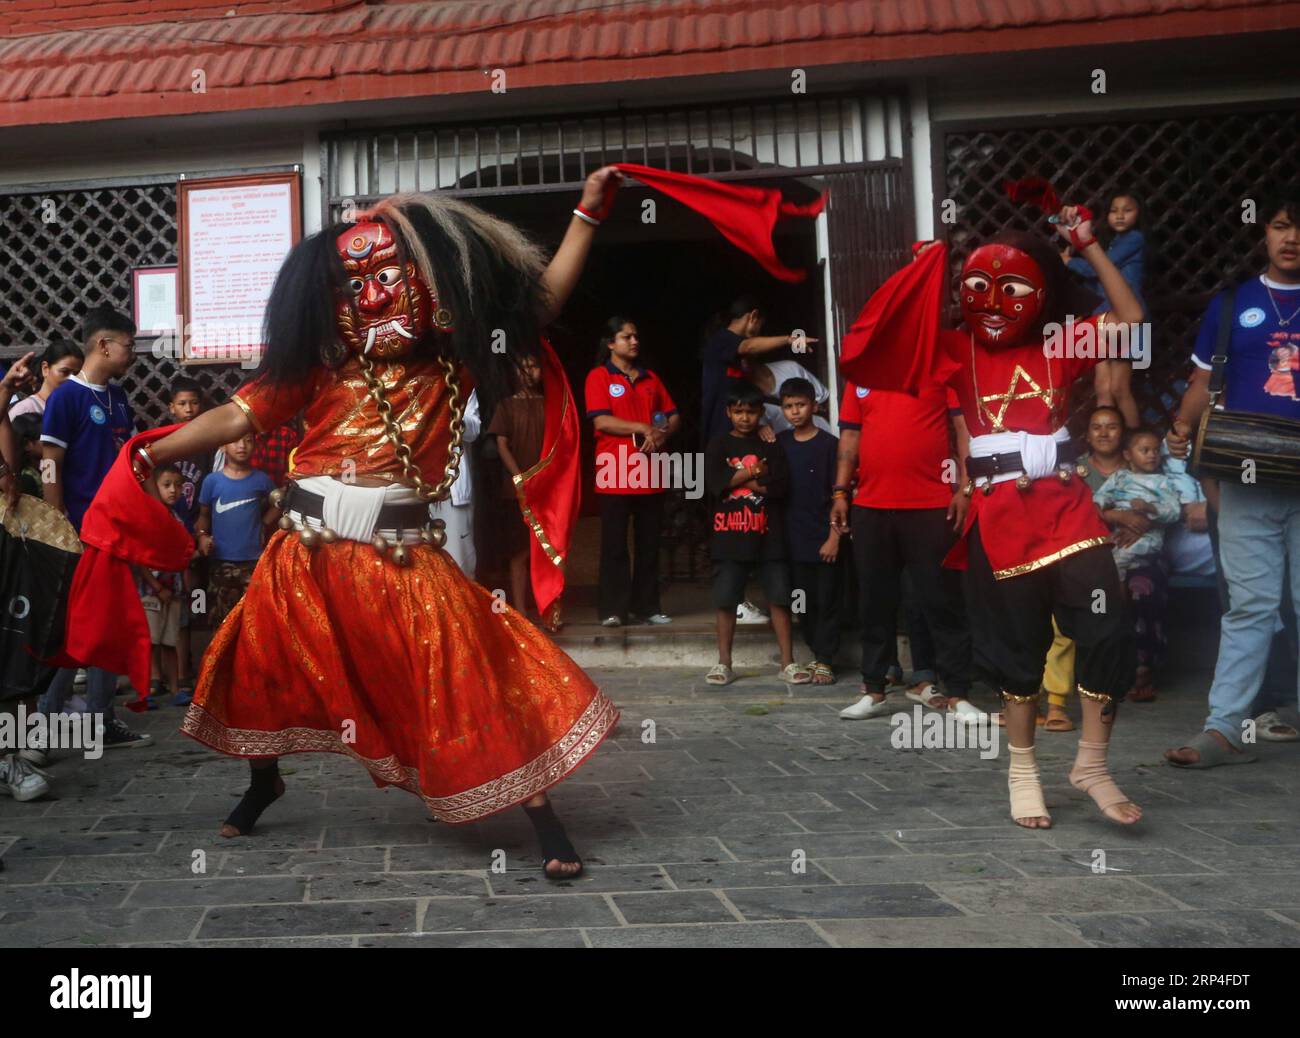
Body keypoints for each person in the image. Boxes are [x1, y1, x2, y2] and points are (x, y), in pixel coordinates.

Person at [129, 172, 625, 878]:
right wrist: (151, 448)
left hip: (402, 557)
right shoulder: (316, 367)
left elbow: (539, 305)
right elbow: (238, 416)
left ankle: (542, 816)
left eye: (388, 274)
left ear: (424, 280)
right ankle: (264, 780)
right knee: (260, 668)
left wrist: (585, 215)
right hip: (304, 552)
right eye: (353, 282)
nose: (372, 295)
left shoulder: (450, 356)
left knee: (466, 673)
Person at [841, 204, 1146, 829]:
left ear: (1040, 295)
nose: (994, 301)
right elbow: (871, 345)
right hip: (999, 517)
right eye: (978, 287)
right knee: (1018, 653)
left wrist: (1088, 246)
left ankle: (1091, 764)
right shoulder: (952, 348)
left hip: (1066, 508)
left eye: (1012, 288)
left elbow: (1132, 318)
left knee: (1106, 628)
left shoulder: (1062, 344)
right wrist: (924, 268)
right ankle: (1023, 769)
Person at [1165, 188, 1300, 768]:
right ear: (1264, 233)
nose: (1291, 238)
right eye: (1279, 226)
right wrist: (1180, 426)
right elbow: (1204, 381)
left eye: (1299, 228)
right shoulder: (1231, 304)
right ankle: (1223, 729)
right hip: (1247, 481)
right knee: (1249, 606)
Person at [831, 373, 983, 724]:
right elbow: (850, 436)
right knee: (875, 602)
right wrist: (840, 492)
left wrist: (964, 487)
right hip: (871, 505)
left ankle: (958, 693)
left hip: (930, 505)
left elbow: (963, 429)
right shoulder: (860, 378)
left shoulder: (939, 370)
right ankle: (873, 690)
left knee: (942, 601)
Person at [39, 306, 151, 749]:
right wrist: (58, 523)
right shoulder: (67, 396)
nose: (133, 354)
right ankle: (46, 721)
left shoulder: (119, 397)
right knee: (77, 626)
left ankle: (101, 720)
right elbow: (50, 464)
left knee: (110, 624)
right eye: (128, 345)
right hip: (81, 531)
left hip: (117, 530)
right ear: (104, 344)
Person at [704, 382, 809, 686]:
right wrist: (753, 473)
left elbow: (780, 487)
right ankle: (724, 663)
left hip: (769, 535)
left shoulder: (771, 444)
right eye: (738, 411)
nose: (745, 418)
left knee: (779, 599)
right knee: (725, 600)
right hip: (728, 535)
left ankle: (788, 662)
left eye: (751, 412)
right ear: (728, 412)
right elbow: (714, 484)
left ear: (761, 413)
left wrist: (734, 478)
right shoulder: (717, 445)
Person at [585, 317, 680, 627]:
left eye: (636, 336)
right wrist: (642, 427)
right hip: (614, 472)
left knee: (649, 544)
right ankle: (613, 609)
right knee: (614, 545)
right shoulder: (598, 377)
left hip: (650, 472)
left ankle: (648, 607)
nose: (634, 341)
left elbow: (673, 415)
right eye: (626, 337)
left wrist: (662, 433)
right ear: (611, 343)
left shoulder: (650, 378)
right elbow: (601, 421)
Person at [1094, 427, 1183, 701]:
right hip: (1118, 537)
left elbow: (1174, 511)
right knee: (1111, 558)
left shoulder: (1164, 483)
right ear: (1128, 455)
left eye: (1156, 450)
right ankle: (1106, 673)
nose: (1152, 455)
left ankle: (1144, 667)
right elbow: (1097, 501)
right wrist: (1115, 515)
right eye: (1145, 450)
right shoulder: (1119, 478)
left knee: (1135, 576)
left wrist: (1149, 509)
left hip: (1149, 546)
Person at [776, 377, 842, 684]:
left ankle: (826, 659)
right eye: (788, 406)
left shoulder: (830, 445)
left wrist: (834, 537)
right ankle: (815, 652)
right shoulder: (780, 444)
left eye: (800, 405)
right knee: (801, 601)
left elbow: (839, 495)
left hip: (824, 537)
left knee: (827, 599)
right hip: (793, 540)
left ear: (813, 406)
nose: (795, 412)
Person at [1064, 191, 1147, 428]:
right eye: (1114, 210)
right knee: (1102, 387)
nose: (1120, 215)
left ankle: (1131, 442)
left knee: (1120, 388)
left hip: (1128, 320)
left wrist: (1069, 262)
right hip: (1101, 317)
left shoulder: (1135, 238)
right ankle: (1107, 445)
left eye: (1127, 210)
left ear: (1139, 214)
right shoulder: (1110, 242)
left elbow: (1097, 268)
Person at [700, 296, 817, 447]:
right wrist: (789, 340)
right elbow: (748, 346)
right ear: (753, 316)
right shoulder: (721, 340)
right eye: (760, 326)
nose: (758, 333)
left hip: (741, 436)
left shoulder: (741, 359)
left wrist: (759, 426)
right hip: (719, 433)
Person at [162, 377, 211, 706]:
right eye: (182, 403)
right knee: (172, 604)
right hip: (169, 532)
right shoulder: (163, 440)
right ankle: (170, 674)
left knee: (198, 599)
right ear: (171, 407)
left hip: (197, 529)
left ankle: (195, 666)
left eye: (193, 403)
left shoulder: (207, 443)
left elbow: (207, 490)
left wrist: (201, 528)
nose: (188, 409)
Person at [195, 433, 277, 627]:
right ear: (223, 447)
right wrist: (202, 536)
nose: (242, 446)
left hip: (254, 561)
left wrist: (264, 524)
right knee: (221, 622)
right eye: (236, 441)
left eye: (248, 441)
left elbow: (279, 503)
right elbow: (203, 515)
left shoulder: (262, 479)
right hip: (221, 561)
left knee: (253, 621)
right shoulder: (212, 481)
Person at [487, 356, 547, 621]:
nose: (529, 372)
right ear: (514, 373)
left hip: (547, 488)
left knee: (546, 550)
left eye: (533, 366)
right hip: (518, 490)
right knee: (520, 551)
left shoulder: (551, 405)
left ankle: (548, 607)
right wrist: (520, 477)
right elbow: (501, 444)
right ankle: (522, 610)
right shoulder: (506, 406)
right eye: (522, 367)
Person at [134, 464, 187, 707]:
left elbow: (181, 553)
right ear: (153, 487)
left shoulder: (177, 518)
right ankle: (144, 692)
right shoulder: (146, 518)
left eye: (177, 485)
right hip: (151, 592)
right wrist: (156, 586)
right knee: (150, 642)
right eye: (166, 485)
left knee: (169, 641)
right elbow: (140, 559)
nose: (173, 490)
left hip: (173, 590)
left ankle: (176, 689)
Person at [427, 388, 480, 577]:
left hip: (453, 489)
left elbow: (474, 429)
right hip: (419, 486)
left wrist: (450, 414)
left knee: (459, 560)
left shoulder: (460, 382)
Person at [6, 341, 83, 421]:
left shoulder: (78, 409)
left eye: (76, 374)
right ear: (45, 369)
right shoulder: (25, 409)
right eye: (64, 372)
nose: (71, 379)